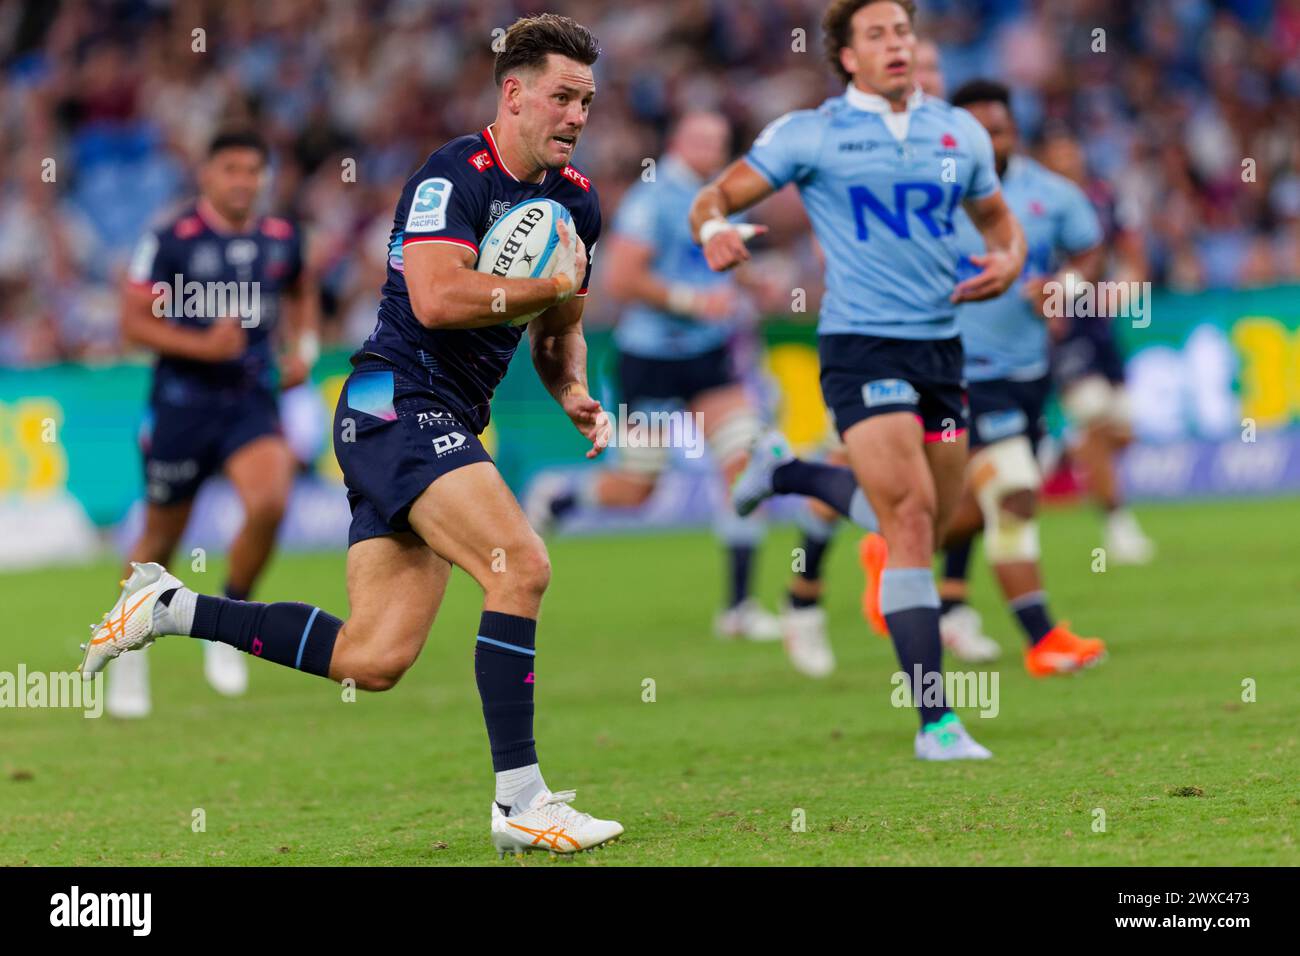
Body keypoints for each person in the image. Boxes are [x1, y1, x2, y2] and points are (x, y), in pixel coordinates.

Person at [80, 14, 623, 856]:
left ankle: (169, 607)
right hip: (392, 399)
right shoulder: (452, 176)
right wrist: (543, 286)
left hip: (440, 416)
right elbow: (440, 299)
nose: (577, 116)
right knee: (522, 566)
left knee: (374, 658)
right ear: (513, 95)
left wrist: (575, 390)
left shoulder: (578, 202)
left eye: (587, 101)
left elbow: (558, 332)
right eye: (562, 97)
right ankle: (520, 801)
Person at [692, 0, 1025, 759]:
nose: (896, 45)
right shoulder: (813, 133)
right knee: (906, 520)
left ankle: (789, 469)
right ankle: (936, 721)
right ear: (846, 56)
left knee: (930, 524)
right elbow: (712, 196)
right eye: (877, 35)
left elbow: (1002, 227)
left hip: (941, 350)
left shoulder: (959, 131)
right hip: (861, 347)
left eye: (903, 31)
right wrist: (714, 230)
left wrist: (1007, 262)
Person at [526, 111, 782, 642]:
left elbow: (720, 254)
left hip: (709, 358)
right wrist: (690, 301)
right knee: (636, 489)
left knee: (743, 461)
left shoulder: (716, 195)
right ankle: (558, 497)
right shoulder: (654, 198)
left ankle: (738, 606)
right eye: (700, 139)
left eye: (718, 139)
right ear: (677, 141)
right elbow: (621, 279)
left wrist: (754, 285)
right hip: (652, 359)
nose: (711, 148)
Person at [106, 129, 318, 718]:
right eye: (232, 169)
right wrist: (204, 346)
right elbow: (133, 323)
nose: (244, 181)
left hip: (250, 400)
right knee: (159, 541)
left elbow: (301, 289)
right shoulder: (170, 240)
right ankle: (127, 649)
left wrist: (301, 345)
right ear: (206, 174)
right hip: (181, 404)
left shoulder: (280, 238)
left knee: (272, 500)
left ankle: (230, 620)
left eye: (254, 170)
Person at [935, 79, 1107, 675]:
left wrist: (1066, 288)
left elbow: (1088, 250)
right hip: (953, 369)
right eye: (977, 132)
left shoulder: (1051, 196)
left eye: (999, 130)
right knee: (1013, 490)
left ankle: (898, 551)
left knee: (984, 502)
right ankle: (1042, 638)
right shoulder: (931, 195)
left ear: (1014, 132)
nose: (990, 141)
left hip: (1028, 369)